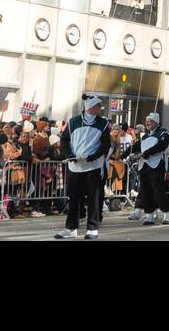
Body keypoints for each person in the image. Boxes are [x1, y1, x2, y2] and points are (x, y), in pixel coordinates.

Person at [55, 94, 111, 240]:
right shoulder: (73, 121)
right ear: (91, 107)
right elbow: (65, 141)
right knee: (73, 198)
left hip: (93, 166)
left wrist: (95, 156)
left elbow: (106, 144)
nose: (100, 109)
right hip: (75, 166)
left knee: (93, 198)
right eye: (98, 106)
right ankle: (70, 228)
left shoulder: (103, 123)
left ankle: (92, 228)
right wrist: (68, 154)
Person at [134, 113, 169, 224]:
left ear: (156, 122)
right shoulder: (145, 136)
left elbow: (161, 146)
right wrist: (126, 154)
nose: (148, 123)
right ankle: (149, 214)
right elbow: (137, 147)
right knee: (145, 191)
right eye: (147, 121)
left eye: (150, 121)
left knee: (158, 190)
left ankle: (167, 212)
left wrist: (147, 153)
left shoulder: (163, 133)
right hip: (144, 166)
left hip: (156, 165)